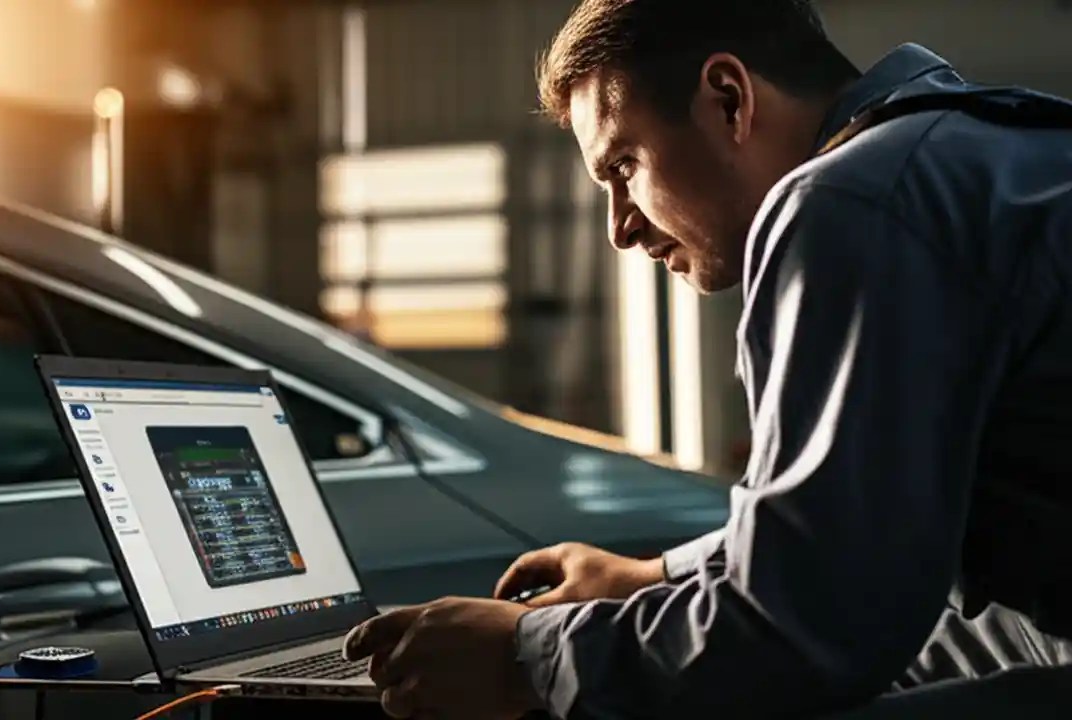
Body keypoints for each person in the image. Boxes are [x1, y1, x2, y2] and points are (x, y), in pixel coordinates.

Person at [342, 0, 1072, 718]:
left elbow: (803, 629)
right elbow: (858, 554)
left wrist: (523, 655)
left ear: (728, 100)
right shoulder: (978, 150)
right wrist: (653, 577)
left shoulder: (851, 202)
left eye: (624, 166)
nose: (620, 228)